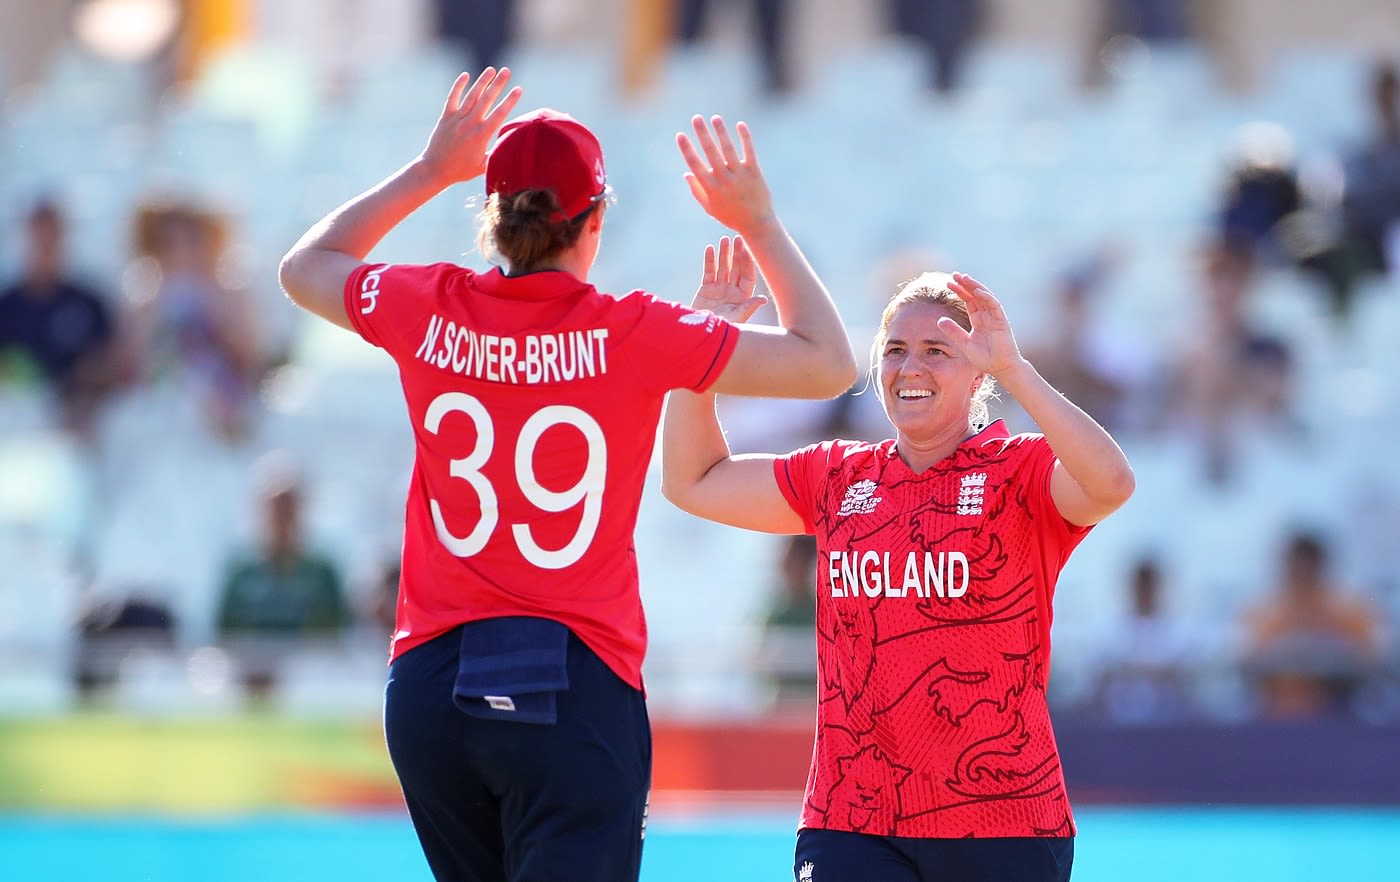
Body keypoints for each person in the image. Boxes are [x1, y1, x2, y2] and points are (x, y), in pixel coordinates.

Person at [277, 67, 855, 882]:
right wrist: (757, 222)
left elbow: (304, 267)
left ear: (493, 217)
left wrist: (430, 170)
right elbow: (828, 363)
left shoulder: (428, 303)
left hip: (431, 689)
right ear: (594, 220)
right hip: (572, 685)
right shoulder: (634, 332)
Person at [662, 270, 1135, 881]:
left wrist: (1016, 368)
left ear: (978, 372)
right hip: (851, 818)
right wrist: (698, 352)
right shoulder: (838, 476)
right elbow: (693, 481)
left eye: (937, 350)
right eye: (895, 350)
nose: (910, 366)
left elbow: (1112, 484)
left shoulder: (1019, 471)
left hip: (1003, 820)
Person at [215, 455, 350, 699]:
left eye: (289, 507)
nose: (282, 517)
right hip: (250, 680)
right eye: (276, 507)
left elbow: (337, 634)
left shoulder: (322, 571)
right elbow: (224, 634)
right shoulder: (241, 570)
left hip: (312, 681)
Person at [0, 198, 125, 436]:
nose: (45, 245)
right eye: (39, 237)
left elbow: (111, 363)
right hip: (15, 420)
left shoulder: (89, 302)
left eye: (53, 236)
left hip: (77, 419)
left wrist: (84, 384)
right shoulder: (6, 304)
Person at [1241, 530, 1381, 719]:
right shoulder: (1265, 612)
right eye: (1297, 565)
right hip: (1277, 714)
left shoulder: (1349, 611)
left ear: (1320, 565)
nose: (1302, 572)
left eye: (1308, 565)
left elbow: (1370, 659)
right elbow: (1249, 659)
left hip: (1339, 713)